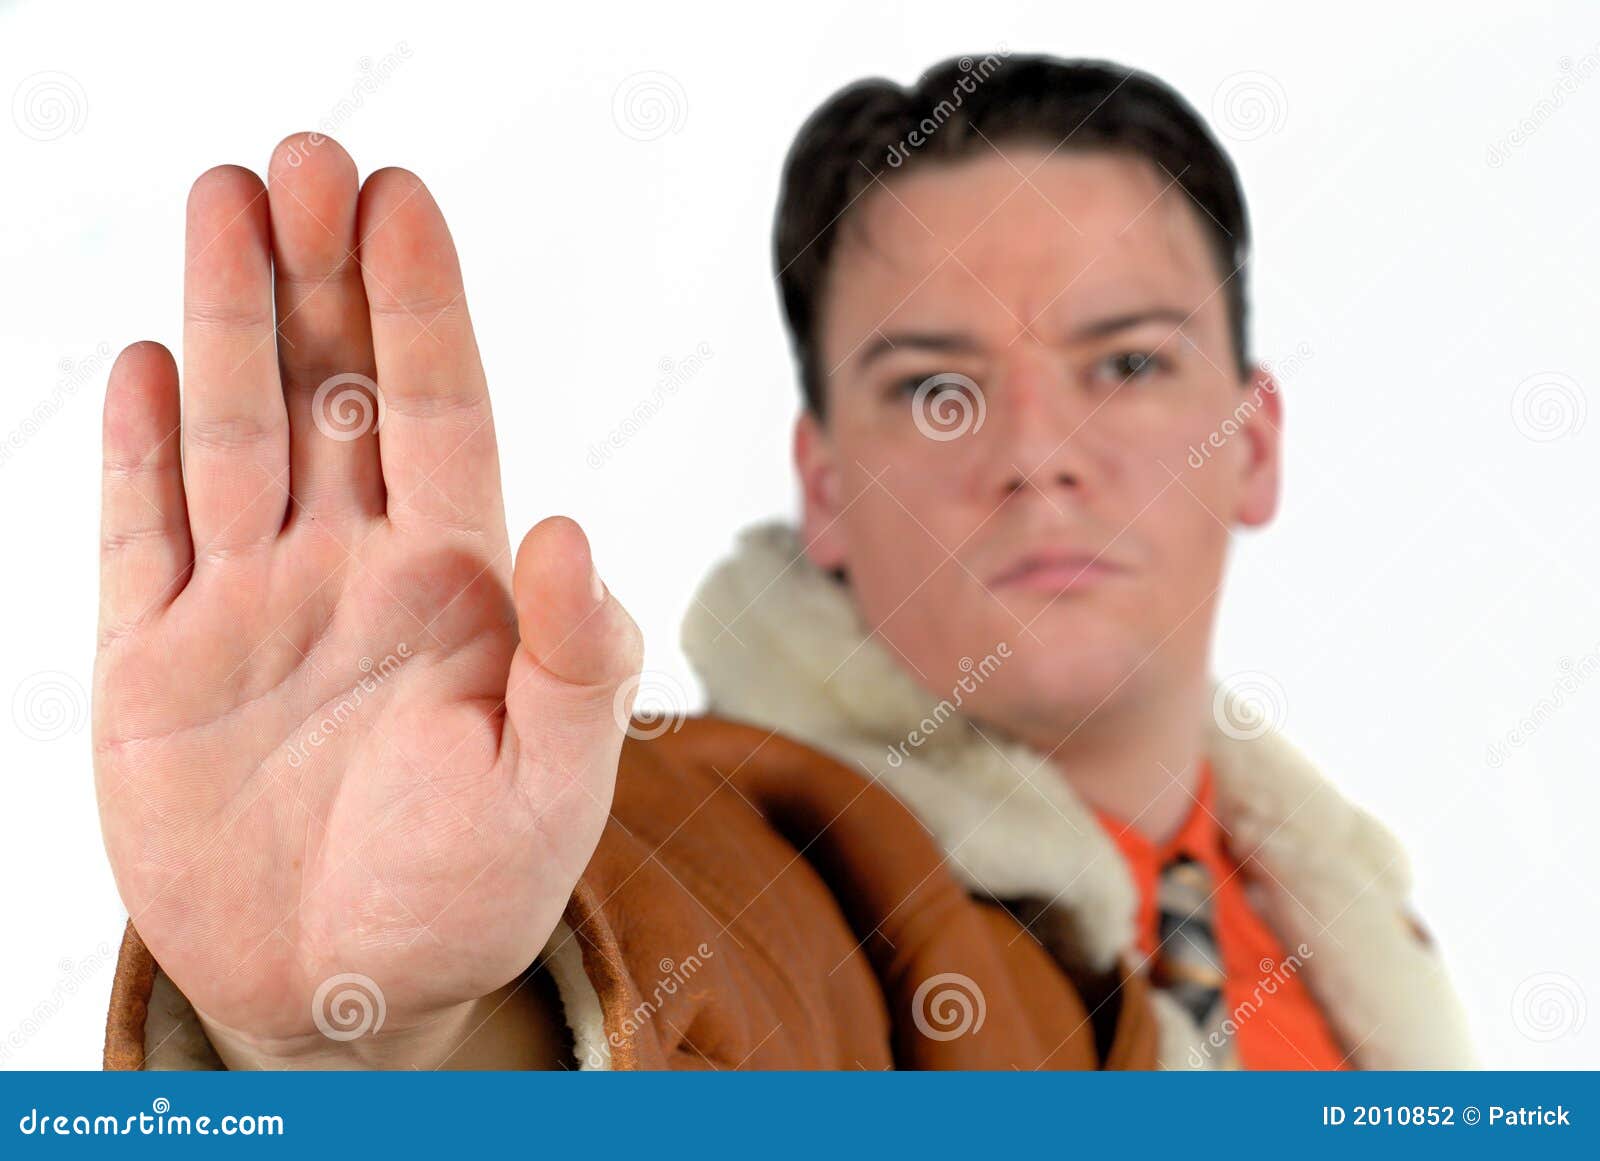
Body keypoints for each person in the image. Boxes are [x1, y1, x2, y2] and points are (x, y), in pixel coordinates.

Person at [98, 55, 1474, 1071]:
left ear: (1255, 443)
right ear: (823, 486)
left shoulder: (1353, 922)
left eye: (1127, 362)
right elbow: (729, 984)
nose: (1039, 452)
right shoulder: (768, 850)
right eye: (939, 387)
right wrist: (388, 1036)